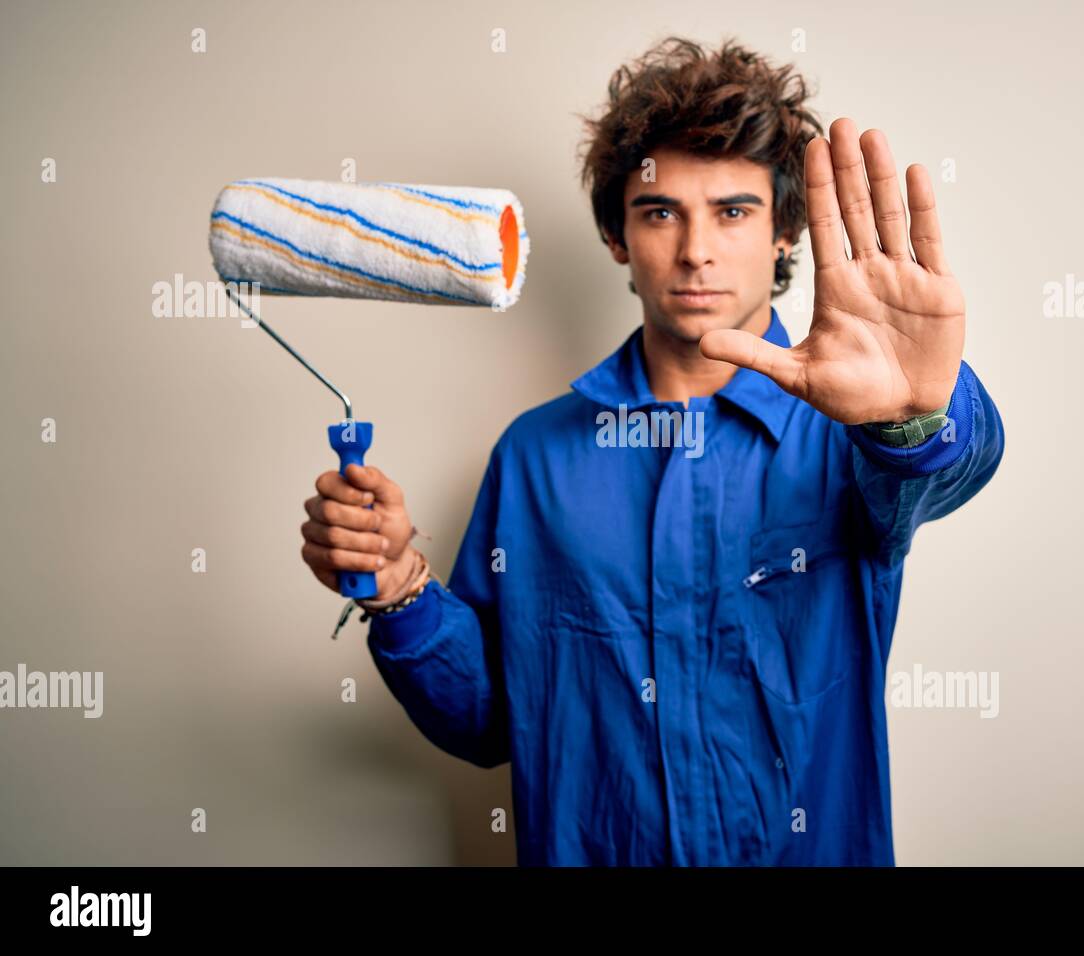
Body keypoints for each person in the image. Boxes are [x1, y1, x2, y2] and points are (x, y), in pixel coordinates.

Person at [300, 36, 1005, 865]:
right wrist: (399, 591)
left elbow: (954, 463)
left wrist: (914, 412)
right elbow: (495, 722)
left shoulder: (844, 441)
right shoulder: (535, 460)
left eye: (734, 211)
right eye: (660, 210)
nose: (696, 249)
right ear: (616, 236)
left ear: (784, 235)